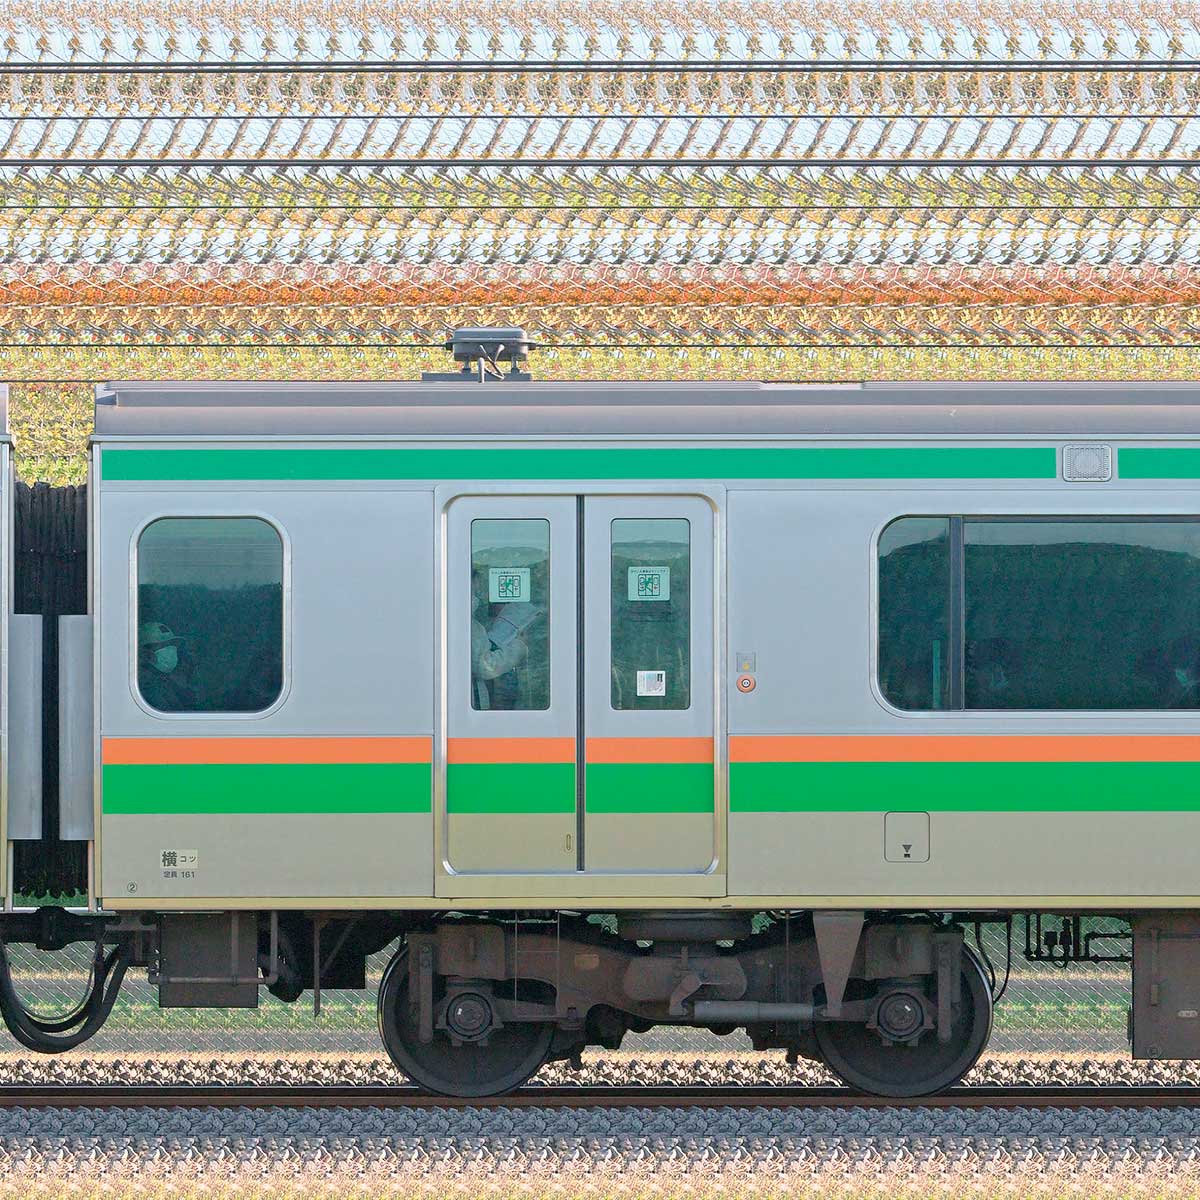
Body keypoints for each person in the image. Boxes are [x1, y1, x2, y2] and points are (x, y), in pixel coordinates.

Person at [470, 570, 535, 710]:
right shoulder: (468, 624)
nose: (477, 597)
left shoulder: (471, 624)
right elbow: (486, 666)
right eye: (474, 590)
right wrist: (519, 646)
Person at [138, 621, 198, 711]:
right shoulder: (141, 688)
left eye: (172, 644)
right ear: (145, 652)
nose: (170, 649)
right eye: (163, 645)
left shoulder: (169, 682)